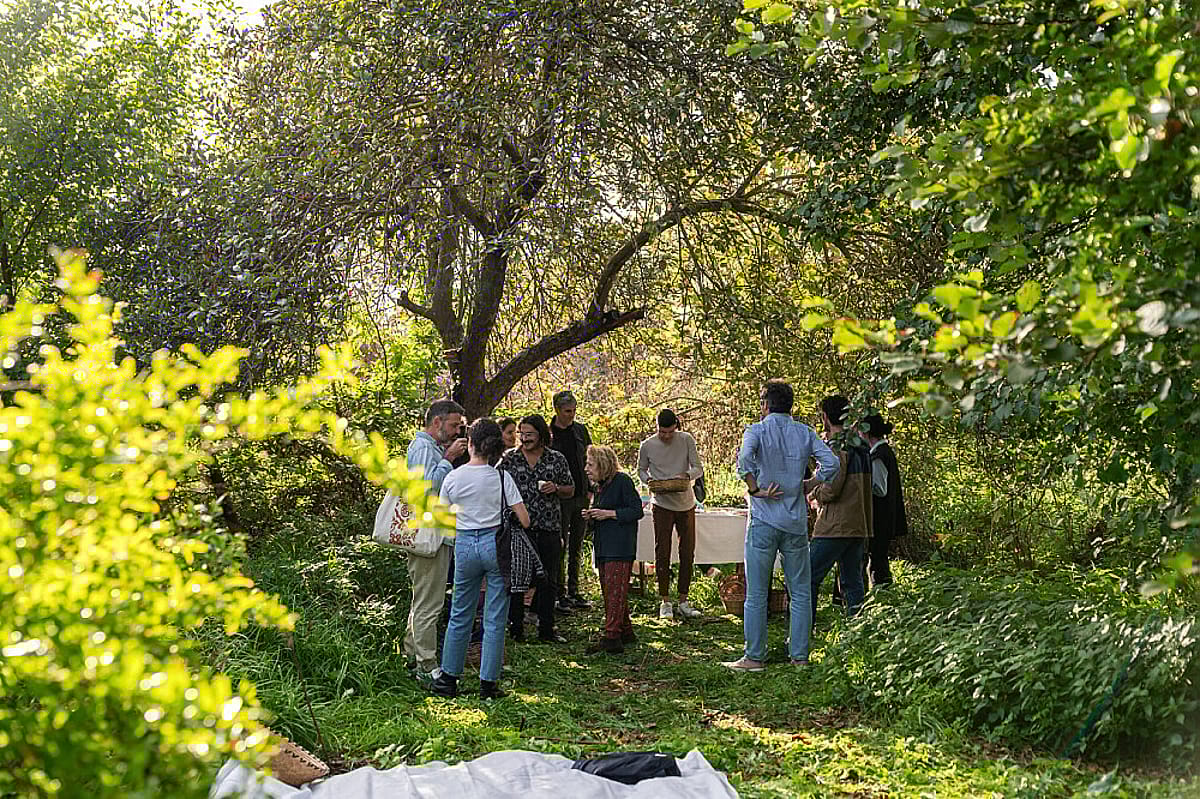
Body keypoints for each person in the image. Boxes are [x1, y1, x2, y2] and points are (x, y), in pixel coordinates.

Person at [724, 380, 839, 672]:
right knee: (800, 592)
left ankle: (754, 657)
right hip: (795, 521)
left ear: (765, 404)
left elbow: (744, 460)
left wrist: (754, 489)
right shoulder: (804, 432)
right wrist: (810, 484)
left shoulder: (757, 430)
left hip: (763, 519)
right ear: (791, 406)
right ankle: (799, 657)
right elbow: (832, 464)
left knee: (757, 593)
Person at [431, 419, 530, 700]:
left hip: (464, 545)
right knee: (494, 617)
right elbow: (524, 518)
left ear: (471, 444)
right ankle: (488, 683)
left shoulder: (453, 476)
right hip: (494, 545)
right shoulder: (501, 477)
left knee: (460, 612)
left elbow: (441, 517)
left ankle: (449, 678)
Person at [403, 399, 468, 686]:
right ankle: (427, 667)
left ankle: (410, 658)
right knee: (429, 604)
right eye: (454, 425)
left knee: (423, 602)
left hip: (434, 534)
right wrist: (448, 459)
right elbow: (425, 490)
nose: (457, 432)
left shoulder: (432, 449)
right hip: (426, 536)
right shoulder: (422, 448)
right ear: (437, 422)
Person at [499, 414, 574, 643]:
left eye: (529, 434)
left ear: (542, 434)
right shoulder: (509, 459)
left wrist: (557, 488)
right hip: (519, 529)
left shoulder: (556, 459)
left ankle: (547, 629)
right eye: (522, 434)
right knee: (518, 578)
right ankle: (516, 628)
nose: (524, 438)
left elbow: (571, 489)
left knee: (549, 579)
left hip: (550, 526)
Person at [805, 396, 873, 622]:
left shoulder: (837, 447)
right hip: (859, 523)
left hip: (835, 525)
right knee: (853, 582)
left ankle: (802, 633)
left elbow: (832, 488)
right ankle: (859, 632)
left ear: (825, 417)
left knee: (807, 577)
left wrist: (813, 494)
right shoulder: (861, 445)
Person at [637, 408, 704, 619]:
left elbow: (698, 468)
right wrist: (648, 481)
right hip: (661, 502)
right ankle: (664, 601)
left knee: (687, 552)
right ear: (656, 427)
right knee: (662, 552)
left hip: (685, 502)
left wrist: (685, 475)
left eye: (670, 432)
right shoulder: (647, 445)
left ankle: (683, 600)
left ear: (676, 426)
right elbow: (640, 469)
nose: (666, 436)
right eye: (662, 432)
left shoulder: (686, 439)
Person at [582, 445, 644, 653]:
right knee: (610, 591)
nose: (586, 469)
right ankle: (625, 631)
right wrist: (591, 515)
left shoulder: (622, 481)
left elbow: (636, 510)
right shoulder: (599, 487)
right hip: (604, 547)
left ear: (602, 464)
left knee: (615, 590)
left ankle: (611, 637)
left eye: (590, 464)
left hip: (620, 547)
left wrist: (608, 514)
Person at [550, 390, 593, 612]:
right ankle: (559, 592)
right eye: (568, 411)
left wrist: (591, 488)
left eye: (574, 410)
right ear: (557, 410)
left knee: (577, 544)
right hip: (559, 497)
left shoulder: (580, 431)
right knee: (560, 545)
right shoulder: (548, 434)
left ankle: (574, 590)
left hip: (581, 494)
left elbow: (590, 459)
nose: (572, 415)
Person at [862, 413, 908, 588]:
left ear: (867, 434)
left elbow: (880, 489)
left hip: (881, 517)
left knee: (878, 560)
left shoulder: (879, 455)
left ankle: (883, 592)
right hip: (885, 516)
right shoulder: (883, 452)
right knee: (878, 558)